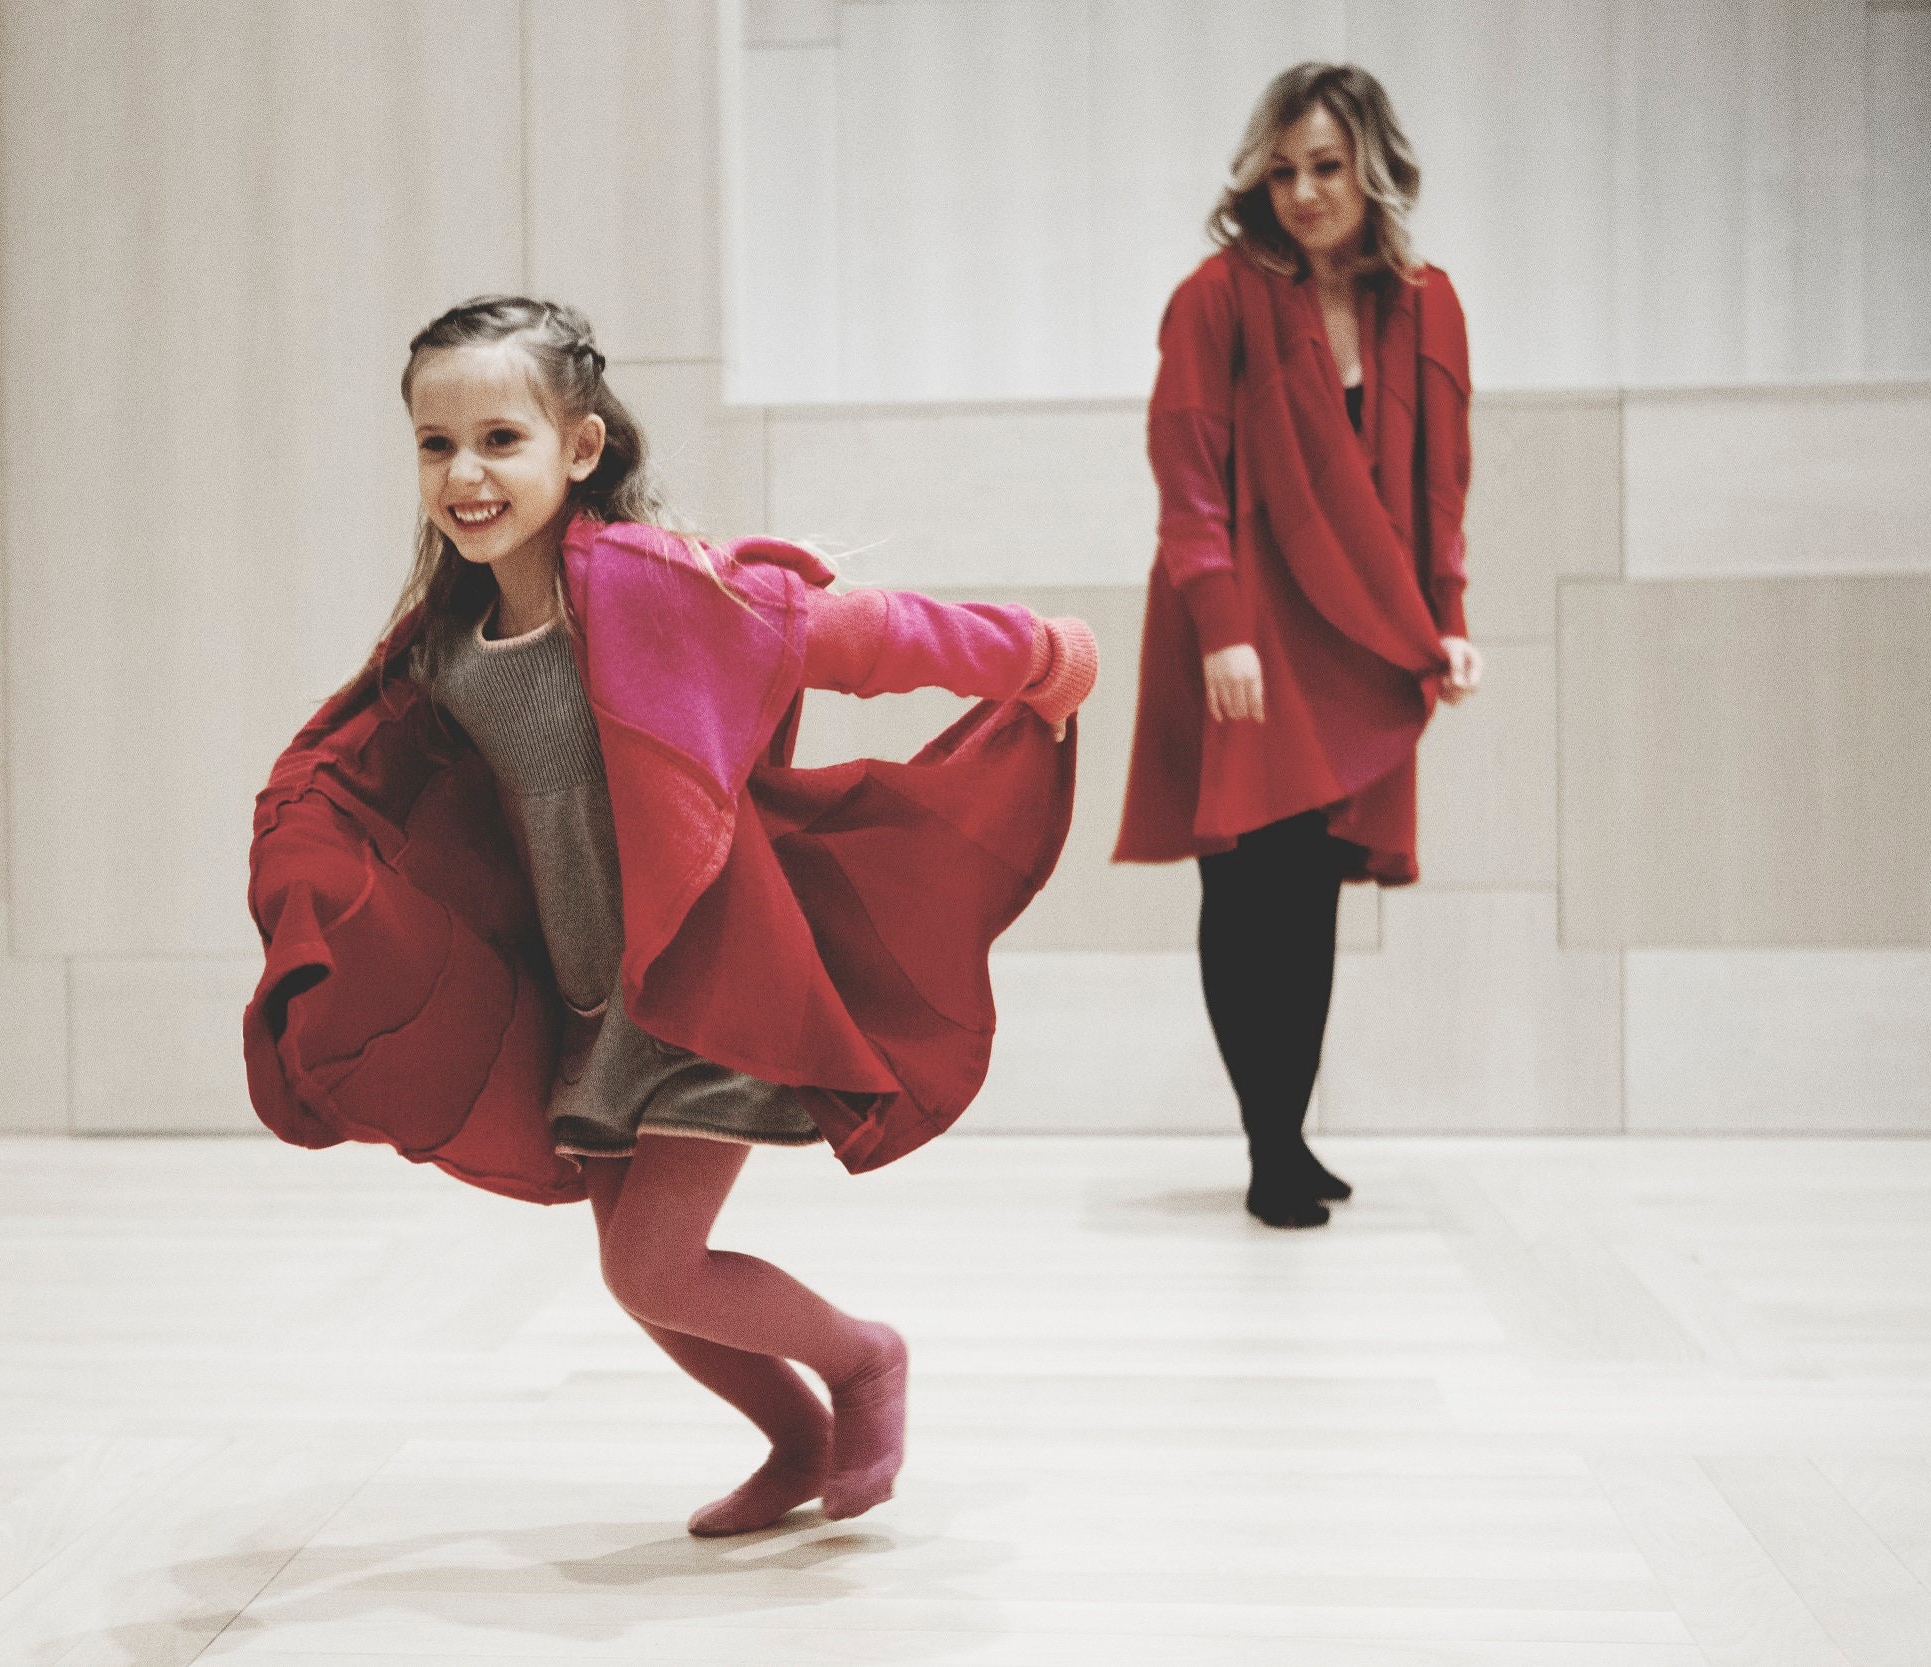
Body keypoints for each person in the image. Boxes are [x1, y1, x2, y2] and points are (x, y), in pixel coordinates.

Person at [244, 297, 1097, 1535]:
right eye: (436, 445)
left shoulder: (654, 591)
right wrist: (295, 862)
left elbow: (848, 636)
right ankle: (795, 1438)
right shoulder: (444, 648)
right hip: (593, 1008)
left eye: (499, 438)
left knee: (653, 1261)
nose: (466, 473)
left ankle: (862, 1363)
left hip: (706, 983)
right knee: (642, 1281)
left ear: (578, 448)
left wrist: (1032, 653)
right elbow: (337, 771)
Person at [1114, 64, 1482, 1230]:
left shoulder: (1428, 305)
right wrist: (1222, 630)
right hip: (1242, 630)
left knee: (1313, 890)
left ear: (1371, 168)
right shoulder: (1214, 298)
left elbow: (1442, 488)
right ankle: (1270, 1140)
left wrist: (1448, 620)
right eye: (1281, 170)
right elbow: (1187, 475)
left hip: (1360, 633)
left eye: (1325, 166)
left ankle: (1290, 1126)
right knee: (1249, 882)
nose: (1304, 191)